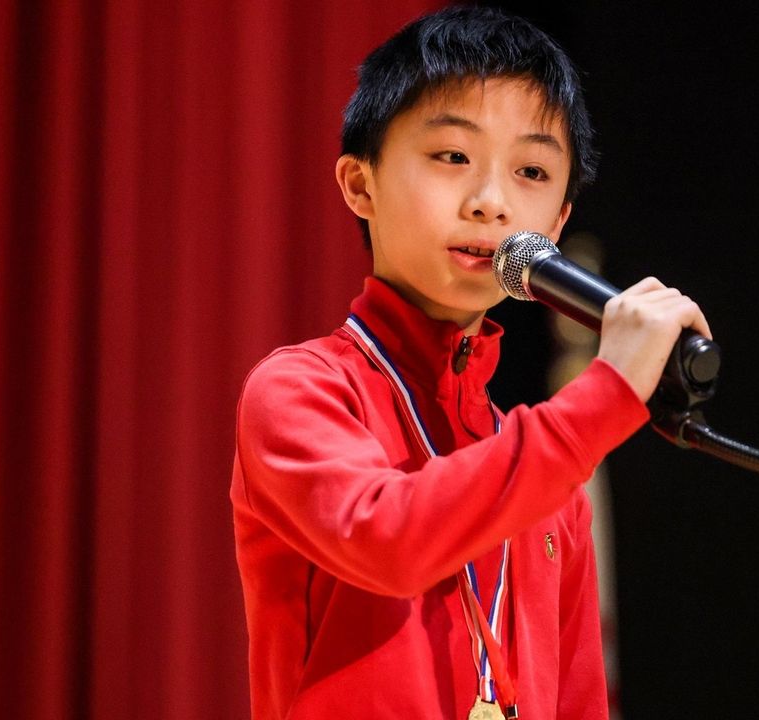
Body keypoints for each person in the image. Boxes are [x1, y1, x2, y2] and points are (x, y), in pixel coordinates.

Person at [230, 7, 710, 719]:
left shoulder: (552, 486)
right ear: (360, 184)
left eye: (531, 171)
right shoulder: (300, 391)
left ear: (552, 227)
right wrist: (604, 396)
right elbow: (389, 538)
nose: (491, 203)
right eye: (453, 157)